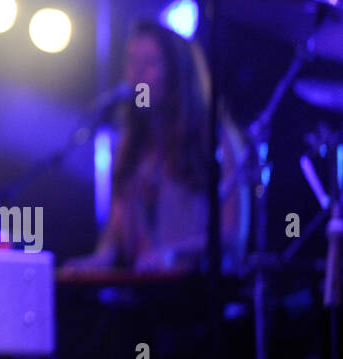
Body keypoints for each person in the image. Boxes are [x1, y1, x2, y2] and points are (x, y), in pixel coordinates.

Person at [66, 19, 249, 273]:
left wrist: (172, 255)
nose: (137, 74)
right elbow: (114, 241)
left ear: (177, 74)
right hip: (144, 293)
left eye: (150, 64)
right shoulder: (130, 144)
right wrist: (90, 264)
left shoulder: (215, 138)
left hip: (197, 293)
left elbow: (231, 233)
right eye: (132, 62)